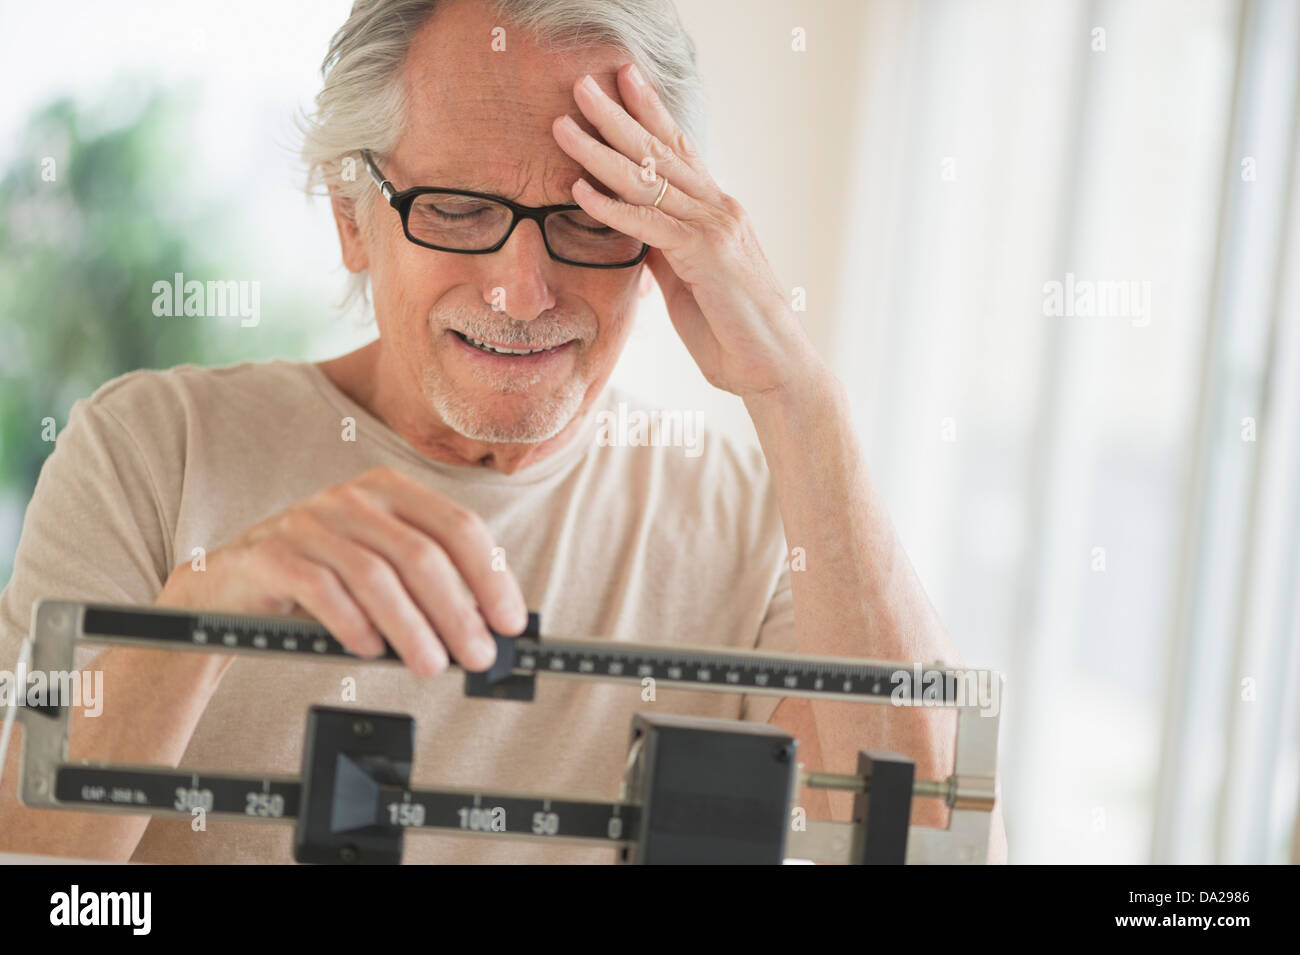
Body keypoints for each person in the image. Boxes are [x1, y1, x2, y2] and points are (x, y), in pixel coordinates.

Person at [0, 0, 1006, 864]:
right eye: (456, 209)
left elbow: (930, 845)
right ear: (354, 215)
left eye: (588, 217)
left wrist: (801, 396)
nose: (521, 291)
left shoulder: (753, 519)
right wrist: (201, 619)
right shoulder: (149, 450)